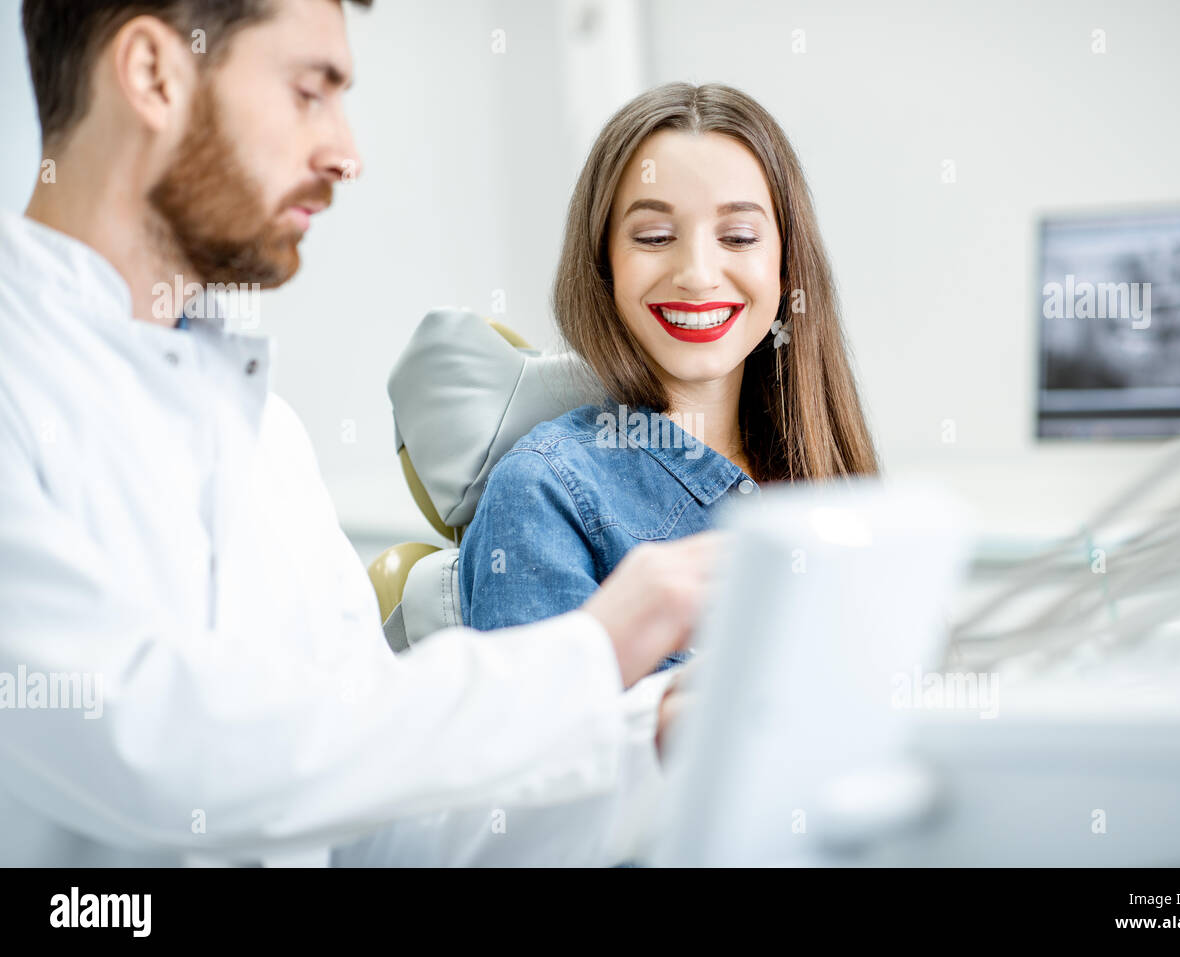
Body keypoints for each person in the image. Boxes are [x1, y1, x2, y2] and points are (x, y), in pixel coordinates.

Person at [0, 0, 718, 867]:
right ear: (155, 73)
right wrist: (595, 649)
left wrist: (658, 740)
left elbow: (382, 822)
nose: (347, 153)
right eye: (311, 92)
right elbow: (153, 738)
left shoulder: (265, 434)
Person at [459, 82, 880, 635]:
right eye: (655, 236)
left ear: (786, 265)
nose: (698, 275)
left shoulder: (827, 469)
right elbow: (541, 721)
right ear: (604, 264)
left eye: (738, 235)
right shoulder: (543, 491)